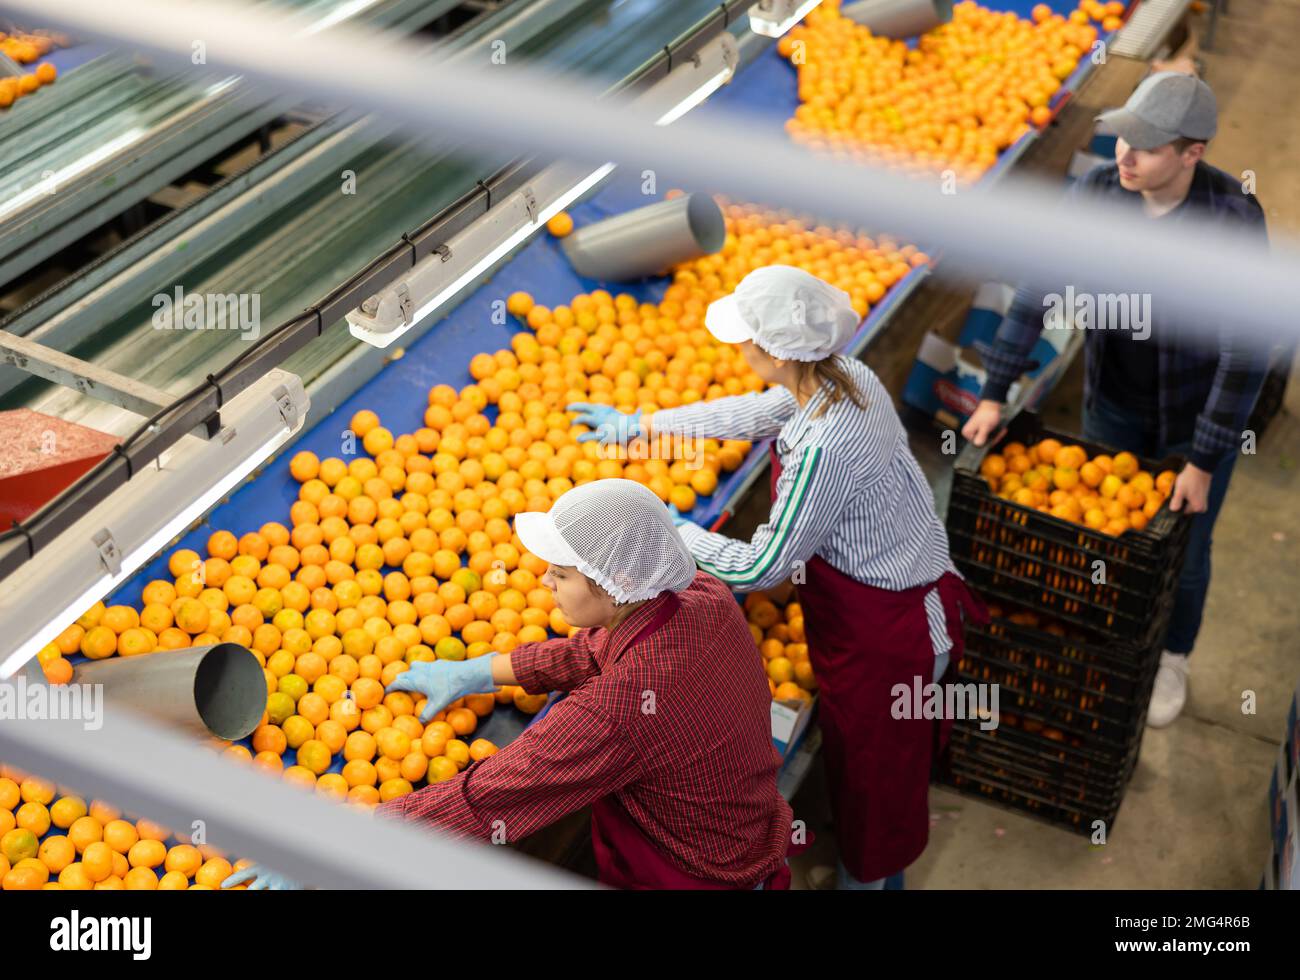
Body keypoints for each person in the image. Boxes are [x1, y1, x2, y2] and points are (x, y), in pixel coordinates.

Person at [570, 265, 986, 890]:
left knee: (877, 792)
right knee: (868, 773)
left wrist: (679, 537)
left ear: (772, 350)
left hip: (891, 634)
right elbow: (761, 412)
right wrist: (647, 425)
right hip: (885, 601)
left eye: (744, 340)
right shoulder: (847, 376)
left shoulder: (823, 447)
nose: (737, 350)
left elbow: (763, 564)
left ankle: (868, 883)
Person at [226, 479, 795, 890]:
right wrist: (480, 672)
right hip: (749, 823)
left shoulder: (618, 712)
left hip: (694, 871)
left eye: (562, 573)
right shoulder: (701, 595)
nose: (544, 580)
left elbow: (490, 795)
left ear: (616, 583)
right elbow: (595, 652)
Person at [961, 71, 1269, 729]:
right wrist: (995, 391)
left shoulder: (1233, 220)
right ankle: (1110, 646)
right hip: (1116, 403)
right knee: (1107, 534)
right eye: (1124, 138)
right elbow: (1036, 292)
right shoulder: (1096, 194)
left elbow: (1246, 353)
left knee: (1183, 552)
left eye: (1148, 147)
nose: (1125, 155)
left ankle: (1172, 657)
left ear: (1193, 153)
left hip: (1195, 418)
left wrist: (1207, 458)